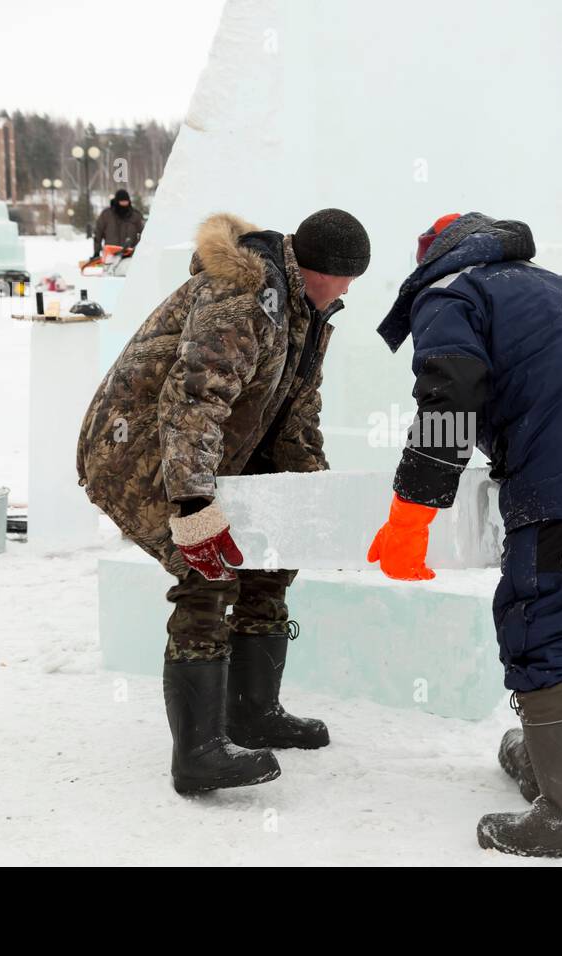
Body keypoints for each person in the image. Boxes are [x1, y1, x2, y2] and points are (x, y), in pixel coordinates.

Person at [367, 213, 562, 859]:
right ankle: (551, 768)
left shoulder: (451, 292)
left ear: (433, 258)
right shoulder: (550, 285)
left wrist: (411, 513)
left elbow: (450, 400)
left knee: (542, 621)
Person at [77, 209, 370, 794]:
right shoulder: (243, 296)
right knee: (208, 571)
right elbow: (195, 400)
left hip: (210, 453)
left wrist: (314, 500)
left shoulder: (305, 310)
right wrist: (191, 505)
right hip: (142, 448)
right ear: (319, 271)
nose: (347, 292)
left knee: (270, 555)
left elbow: (295, 415)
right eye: (344, 280)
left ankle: (252, 714)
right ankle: (198, 754)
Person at [92, 188, 145, 259]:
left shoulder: (136, 216)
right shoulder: (106, 215)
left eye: (126, 201)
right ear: (117, 201)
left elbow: (144, 234)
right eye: (122, 201)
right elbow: (98, 234)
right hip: (111, 255)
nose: (124, 203)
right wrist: (97, 251)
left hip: (131, 254)